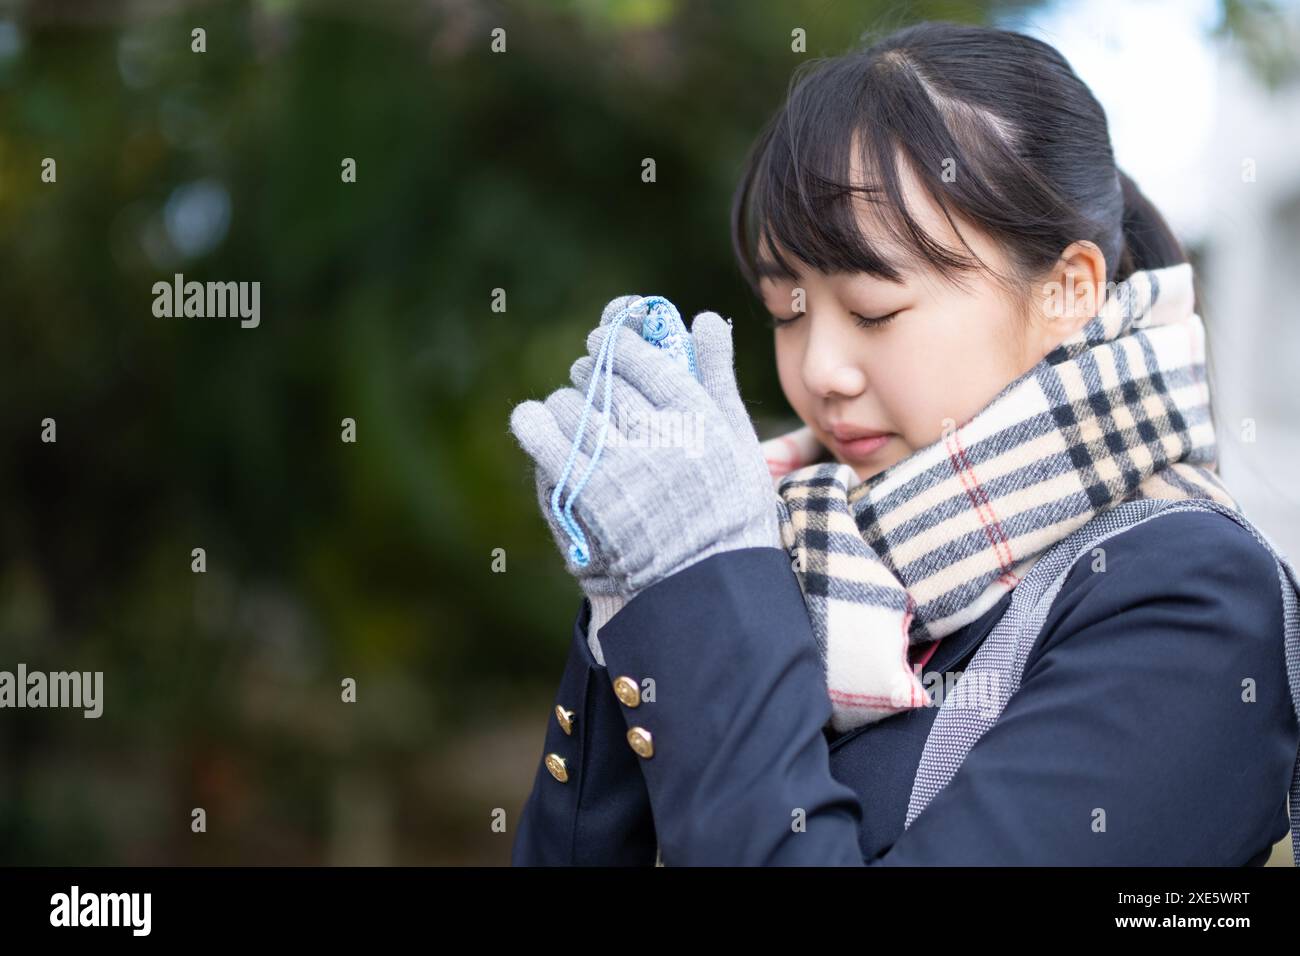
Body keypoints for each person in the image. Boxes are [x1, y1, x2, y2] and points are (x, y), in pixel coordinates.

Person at [506, 20, 1300, 866]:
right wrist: (637, 602)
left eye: (875, 312)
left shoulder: (1188, 596)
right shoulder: (783, 537)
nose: (819, 371)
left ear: (1068, 290)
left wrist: (705, 592)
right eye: (786, 313)